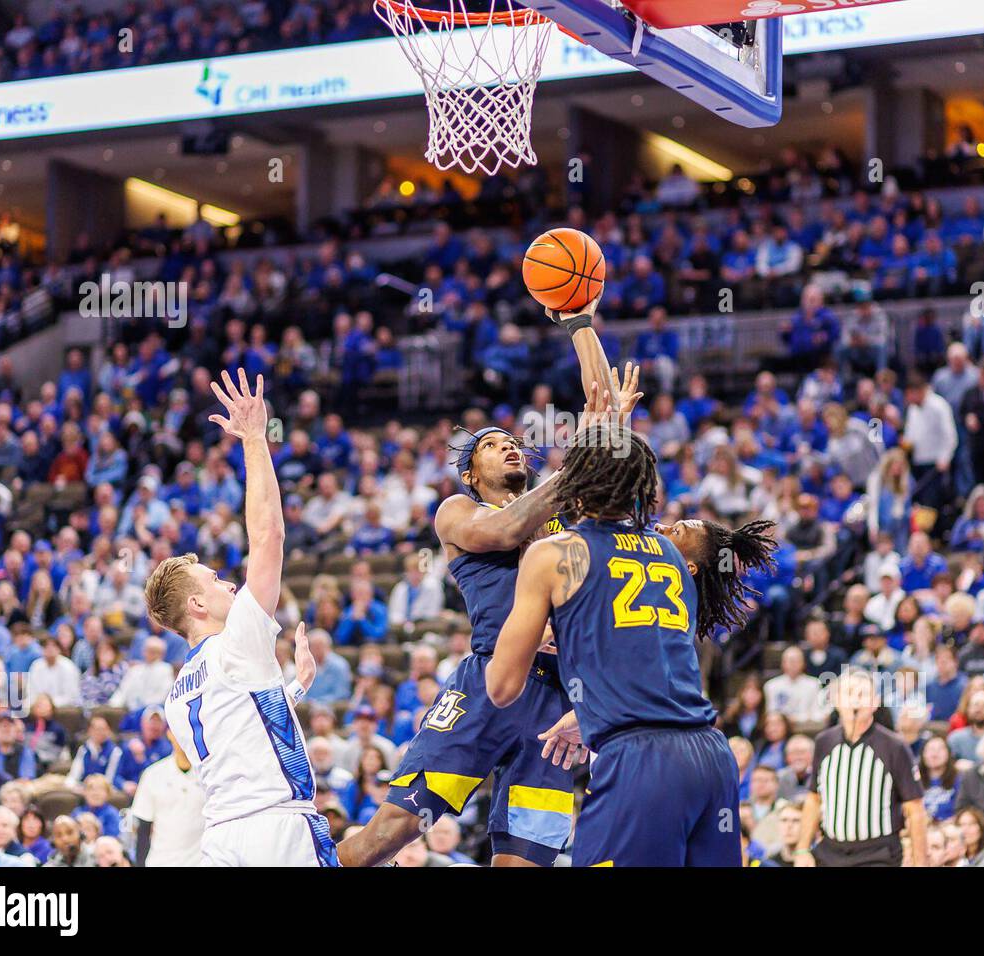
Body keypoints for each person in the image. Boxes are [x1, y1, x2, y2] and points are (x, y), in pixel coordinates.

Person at [338, 296, 639, 868]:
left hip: (556, 698)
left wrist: (579, 325)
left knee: (524, 862)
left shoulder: (561, 505)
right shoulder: (457, 511)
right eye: (493, 445)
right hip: (488, 682)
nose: (510, 445)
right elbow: (505, 531)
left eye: (513, 441)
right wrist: (583, 458)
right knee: (392, 830)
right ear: (473, 473)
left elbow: (598, 411)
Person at [484, 423, 767, 866]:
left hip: (641, 765)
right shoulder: (672, 553)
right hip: (710, 757)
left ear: (575, 481)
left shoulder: (555, 554)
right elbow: (638, 648)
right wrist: (592, 707)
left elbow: (501, 686)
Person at [146, 369, 331, 868]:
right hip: (278, 831)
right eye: (214, 581)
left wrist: (291, 691)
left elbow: (237, 732)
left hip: (221, 841)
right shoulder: (238, 643)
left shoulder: (177, 694)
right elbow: (268, 535)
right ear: (197, 607)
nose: (230, 583)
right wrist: (254, 438)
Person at [794, 671, 928, 867]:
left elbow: (915, 809)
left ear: (875, 703)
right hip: (830, 851)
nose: (855, 700)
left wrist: (920, 862)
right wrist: (802, 849)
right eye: (849, 693)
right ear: (836, 700)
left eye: (862, 694)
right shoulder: (824, 742)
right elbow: (814, 798)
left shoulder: (894, 746)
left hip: (878, 854)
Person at [132, 731, 206, 867]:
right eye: (177, 730)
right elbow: (143, 829)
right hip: (160, 861)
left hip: (202, 861)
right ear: (169, 734)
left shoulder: (209, 773)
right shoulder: (152, 774)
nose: (183, 736)